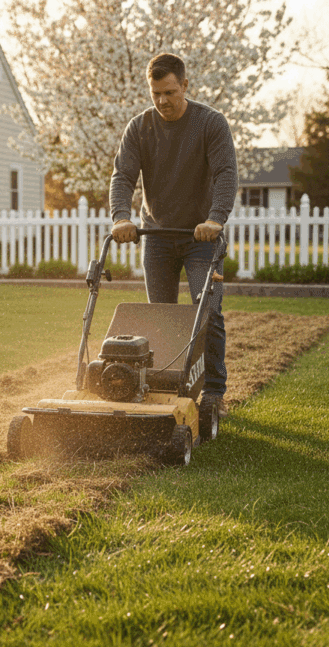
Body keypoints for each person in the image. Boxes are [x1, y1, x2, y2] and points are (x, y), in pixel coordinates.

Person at [109, 53, 238, 418]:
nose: (163, 101)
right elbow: (122, 177)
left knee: (207, 310)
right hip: (159, 236)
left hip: (203, 239)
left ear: (185, 85)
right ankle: (162, 388)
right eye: (155, 93)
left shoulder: (210, 123)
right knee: (161, 317)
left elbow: (226, 173)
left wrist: (215, 219)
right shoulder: (139, 127)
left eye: (169, 92)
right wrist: (121, 217)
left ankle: (213, 392)